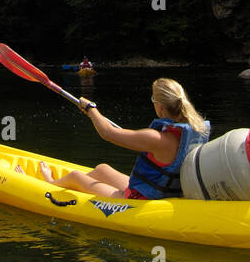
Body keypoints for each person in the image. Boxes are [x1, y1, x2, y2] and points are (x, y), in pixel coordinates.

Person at [39, 77, 210, 200]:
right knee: (102, 169)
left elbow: (107, 133)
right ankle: (78, 192)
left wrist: (91, 109)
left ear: (160, 107)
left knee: (75, 176)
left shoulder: (156, 138)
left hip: (140, 199)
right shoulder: (197, 129)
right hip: (160, 191)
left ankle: (49, 183)